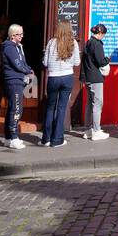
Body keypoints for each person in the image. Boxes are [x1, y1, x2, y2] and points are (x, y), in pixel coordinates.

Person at [41, 17, 80, 147]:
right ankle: (57, 139)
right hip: (67, 76)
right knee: (62, 108)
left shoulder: (51, 42)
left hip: (53, 77)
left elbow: (45, 63)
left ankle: (46, 138)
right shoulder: (73, 43)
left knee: (50, 107)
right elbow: (77, 62)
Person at [1, 23, 32, 150]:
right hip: (13, 81)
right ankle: (13, 137)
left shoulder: (17, 47)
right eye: (20, 34)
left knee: (12, 108)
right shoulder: (9, 48)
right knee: (17, 109)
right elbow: (17, 64)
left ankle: (8, 137)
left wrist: (29, 69)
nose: (22, 36)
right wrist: (27, 71)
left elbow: (22, 62)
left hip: (17, 80)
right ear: (13, 35)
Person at [81, 23, 110, 141]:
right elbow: (101, 62)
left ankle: (88, 130)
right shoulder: (97, 44)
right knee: (98, 103)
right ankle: (96, 131)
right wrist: (107, 59)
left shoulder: (88, 42)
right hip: (95, 78)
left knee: (89, 103)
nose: (103, 36)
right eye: (103, 34)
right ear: (100, 33)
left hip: (87, 77)